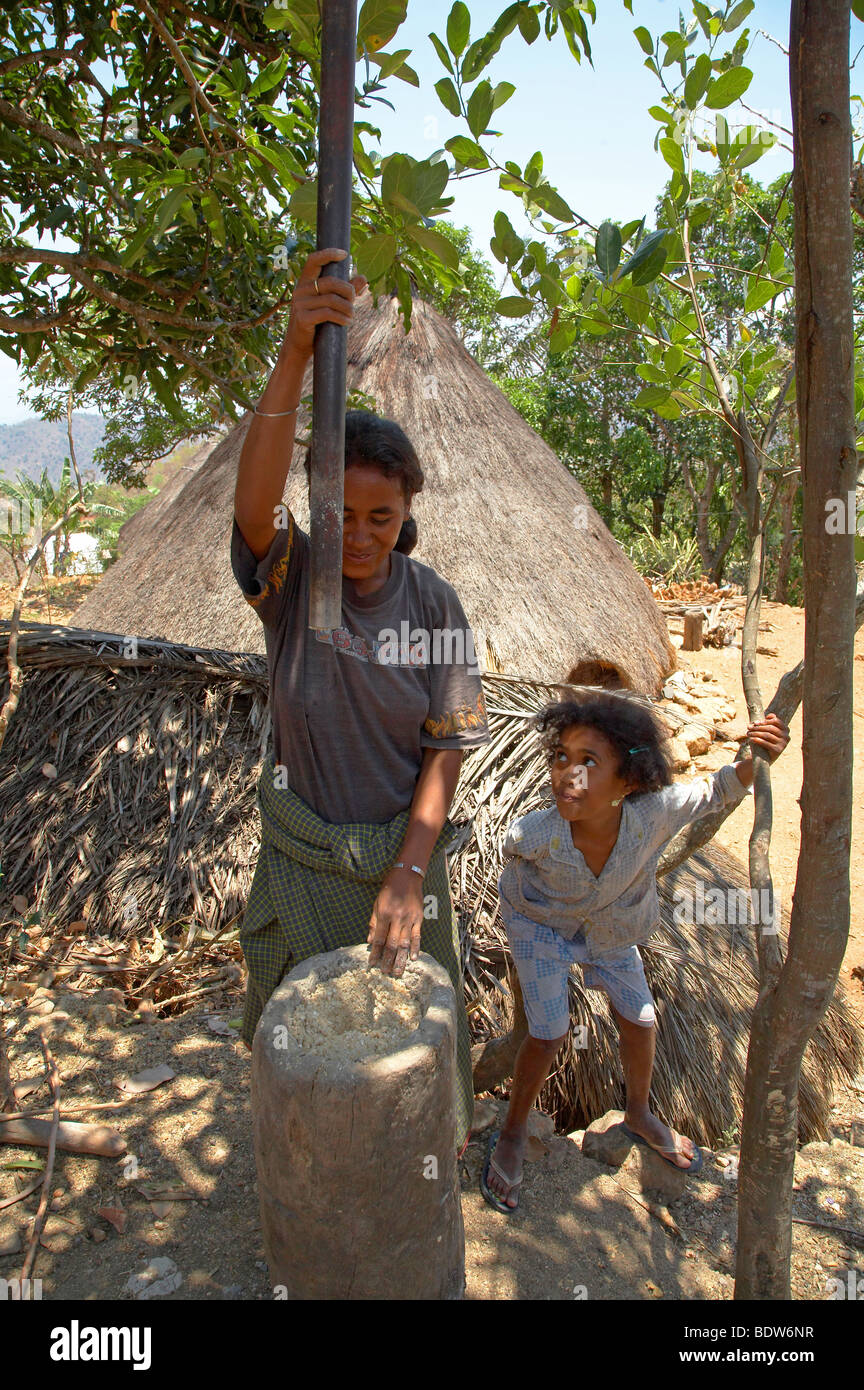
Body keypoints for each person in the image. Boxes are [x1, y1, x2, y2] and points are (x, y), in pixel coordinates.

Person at [231, 247, 490, 1153]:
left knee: (407, 1068)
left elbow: (444, 750)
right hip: (304, 854)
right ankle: (305, 1182)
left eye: (380, 517)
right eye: (340, 510)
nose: (359, 534)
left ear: (406, 514)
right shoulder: (296, 581)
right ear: (318, 501)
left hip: (396, 867)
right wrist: (298, 349)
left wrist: (409, 876)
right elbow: (253, 511)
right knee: (305, 1062)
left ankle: (414, 1194)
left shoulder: (436, 606)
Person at [481, 690, 790, 1212]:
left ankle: (640, 1112)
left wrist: (759, 756)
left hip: (612, 929)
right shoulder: (536, 832)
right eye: (561, 757)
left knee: (642, 1020)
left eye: (588, 762)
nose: (567, 775)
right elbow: (510, 859)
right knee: (550, 1030)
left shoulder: (653, 815)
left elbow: (717, 789)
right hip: (540, 924)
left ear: (628, 783)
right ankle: (513, 1130)